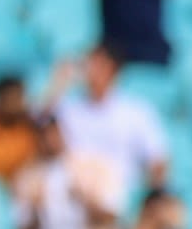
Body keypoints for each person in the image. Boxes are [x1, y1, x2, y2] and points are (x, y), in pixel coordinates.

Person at [55, 42, 169, 195]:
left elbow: (158, 160)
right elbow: (36, 128)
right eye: (89, 62)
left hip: (118, 197)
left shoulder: (137, 112)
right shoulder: (67, 109)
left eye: (99, 64)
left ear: (114, 70)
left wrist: (147, 194)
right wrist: (57, 85)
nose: (92, 70)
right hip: (72, 193)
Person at [0, 76, 40, 182]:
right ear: (0, 99)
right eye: (14, 98)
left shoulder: (28, 128)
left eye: (20, 98)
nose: (19, 104)